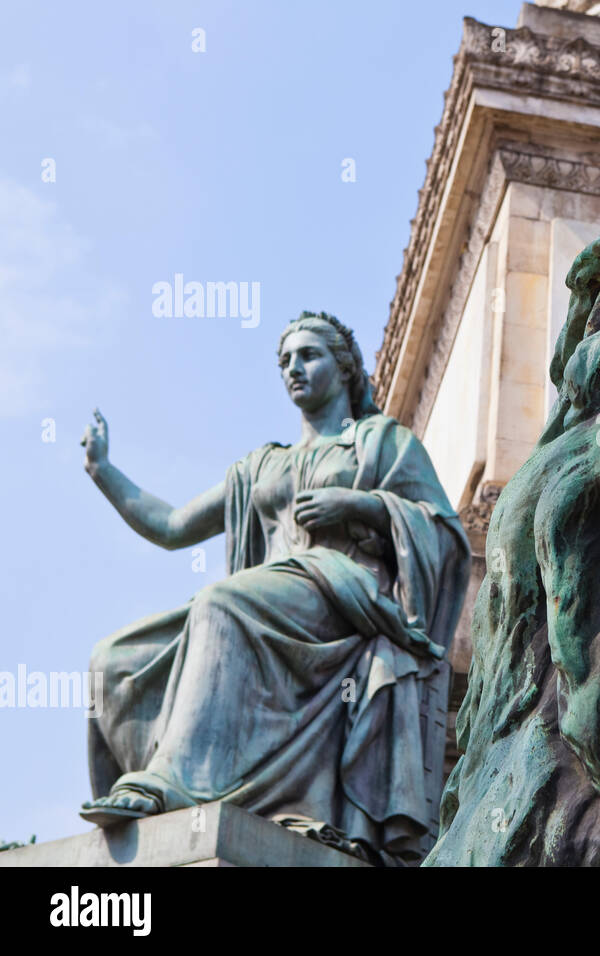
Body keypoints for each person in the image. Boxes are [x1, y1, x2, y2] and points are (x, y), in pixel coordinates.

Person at [79, 311, 468, 865]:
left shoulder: (379, 443)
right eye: (284, 360)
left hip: (341, 588)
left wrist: (361, 504)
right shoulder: (262, 465)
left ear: (346, 367)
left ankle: (174, 782)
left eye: (308, 355)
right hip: (268, 597)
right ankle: (143, 817)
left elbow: (443, 533)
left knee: (221, 601)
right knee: (112, 659)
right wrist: (103, 471)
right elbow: (171, 527)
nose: (293, 369)